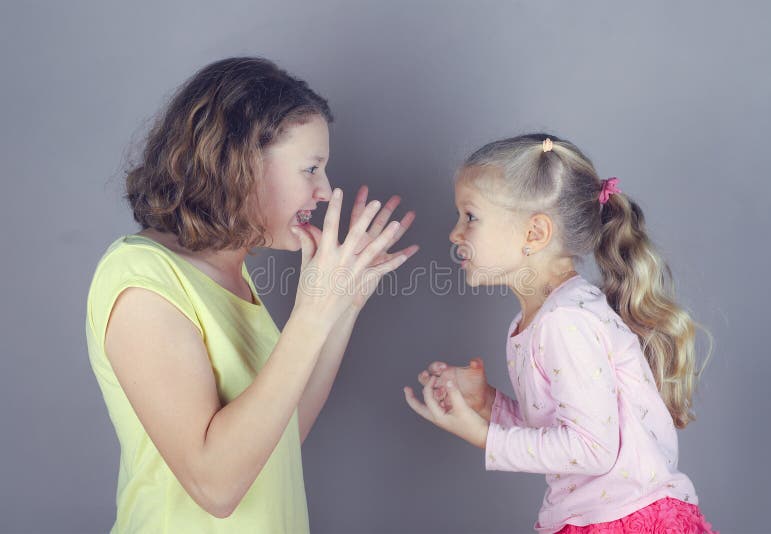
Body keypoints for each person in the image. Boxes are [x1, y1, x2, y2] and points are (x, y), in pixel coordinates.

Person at [85, 56, 418, 532]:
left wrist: (342, 308)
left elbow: (280, 437)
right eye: (311, 168)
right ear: (236, 164)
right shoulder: (142, 278)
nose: (324, 190)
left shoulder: (236, 280)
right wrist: (312, 313)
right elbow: (215, 487)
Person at [404, 134, 717, 533]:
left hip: (626, 522)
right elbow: (565, 434)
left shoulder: (564, 321)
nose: (454, 233)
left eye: (470, 216)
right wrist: (490, 405)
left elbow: (590, 450)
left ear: (534, 234)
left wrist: (486, 437)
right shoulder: (543, 318)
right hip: (603, 517)